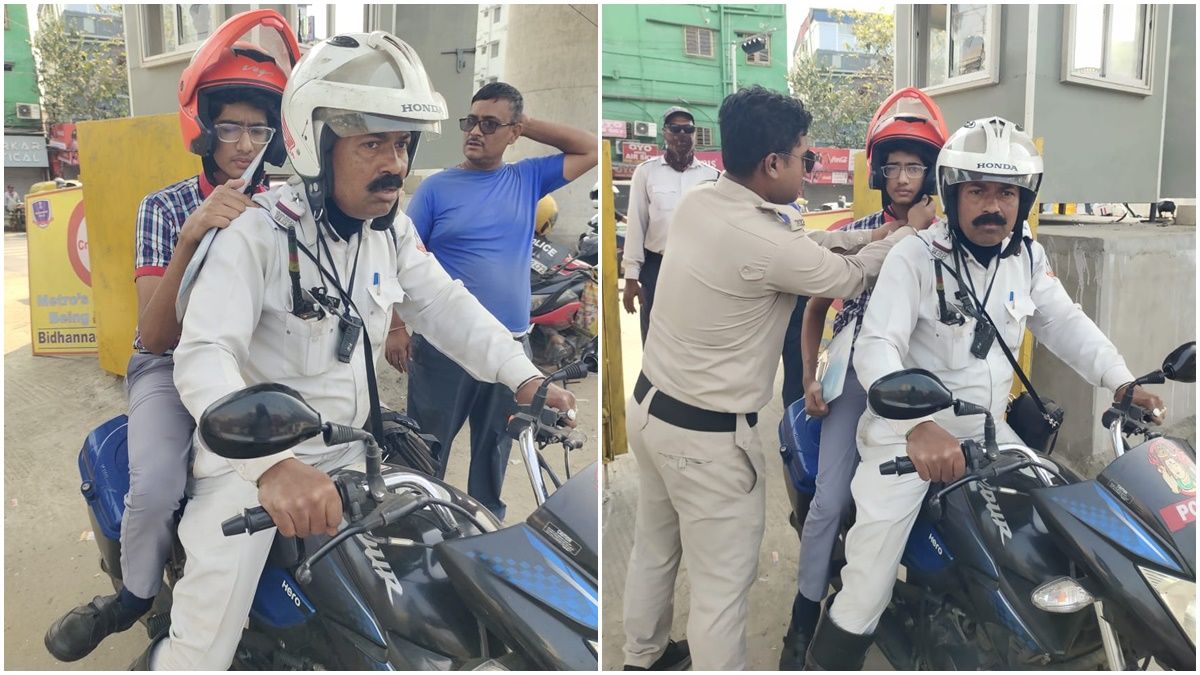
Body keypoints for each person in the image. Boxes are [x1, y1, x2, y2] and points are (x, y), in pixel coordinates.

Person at [145, 32, 576, 670]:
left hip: (359, 456)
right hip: (255, 470)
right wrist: (273, 467)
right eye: (373, 142)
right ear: (313, 144)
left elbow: (445, 305)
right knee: (204, 643)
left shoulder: (390, 229)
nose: (395, 164)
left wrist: (522, 376)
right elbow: (202, 353)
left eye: (402, 143)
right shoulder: (256, 236)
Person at [806, 116, 1166, 670]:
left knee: (1074, 534)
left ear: (1024, 199)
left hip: (993, 436)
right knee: (866, 586)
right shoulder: (915, 257)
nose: (992, 205)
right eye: (977, 191)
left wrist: (1121, 379)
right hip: (906, 440)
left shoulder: (1027, 257)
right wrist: (916, 426)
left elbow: (1064, 322)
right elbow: (876, 346)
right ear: (952, 193)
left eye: (1006, 192)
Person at [620, 85, 933, 672]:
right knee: (721, 592)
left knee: (655, 547)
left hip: (653, 412)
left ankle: (645, 655)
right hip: (708, 443)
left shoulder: (706, 202)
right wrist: (908, 235)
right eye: (804, 157)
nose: (808, 167)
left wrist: (871, 233)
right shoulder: (762, 240)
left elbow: (803, 245)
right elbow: (845, 277)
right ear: (773, 164)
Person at [43, 11, 299, 662]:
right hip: (169, 367)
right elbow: (154, 336)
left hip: (256, 369)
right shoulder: (164, 208)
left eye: (258, 128)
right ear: (205, 128)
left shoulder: (291, 213)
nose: (244, 143)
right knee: (156, 485)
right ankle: (130, 596)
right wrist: (194, 237)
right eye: (231, 126)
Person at [778, 87, 947, 668]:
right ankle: (804, 619)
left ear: (933, 172)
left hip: (927, 379)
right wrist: (808, 377)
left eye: (915, 167)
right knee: (828, 500)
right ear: (878, 170)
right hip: (856, 374)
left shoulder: (950, 238)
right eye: (893, 166)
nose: (903, 178)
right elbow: (816, 308)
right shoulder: (864, 229)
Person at [386, 81, 596, 519]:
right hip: (445, 347)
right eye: (470, 121)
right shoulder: (437, 189)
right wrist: (396, 326)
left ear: (513, 132)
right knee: (427, 444)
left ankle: (483, 524)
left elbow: (591, 149)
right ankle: (420, 522)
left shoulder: (526, 178)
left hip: (512, 344)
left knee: (496, 447)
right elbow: (395, 258)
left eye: (489, 123)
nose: (475, 132)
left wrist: (527, 122)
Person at [622, 106, 720, 343]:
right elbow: (636, 225)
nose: (682, 135)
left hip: (698, 267)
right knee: (656, 332)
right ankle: (653, 379)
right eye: (675, 129)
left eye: (688, 129)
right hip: (658, 266)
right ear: (665, 133)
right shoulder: (646, 173)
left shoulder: (712, 177)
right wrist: (631, 278)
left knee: (695, 331)